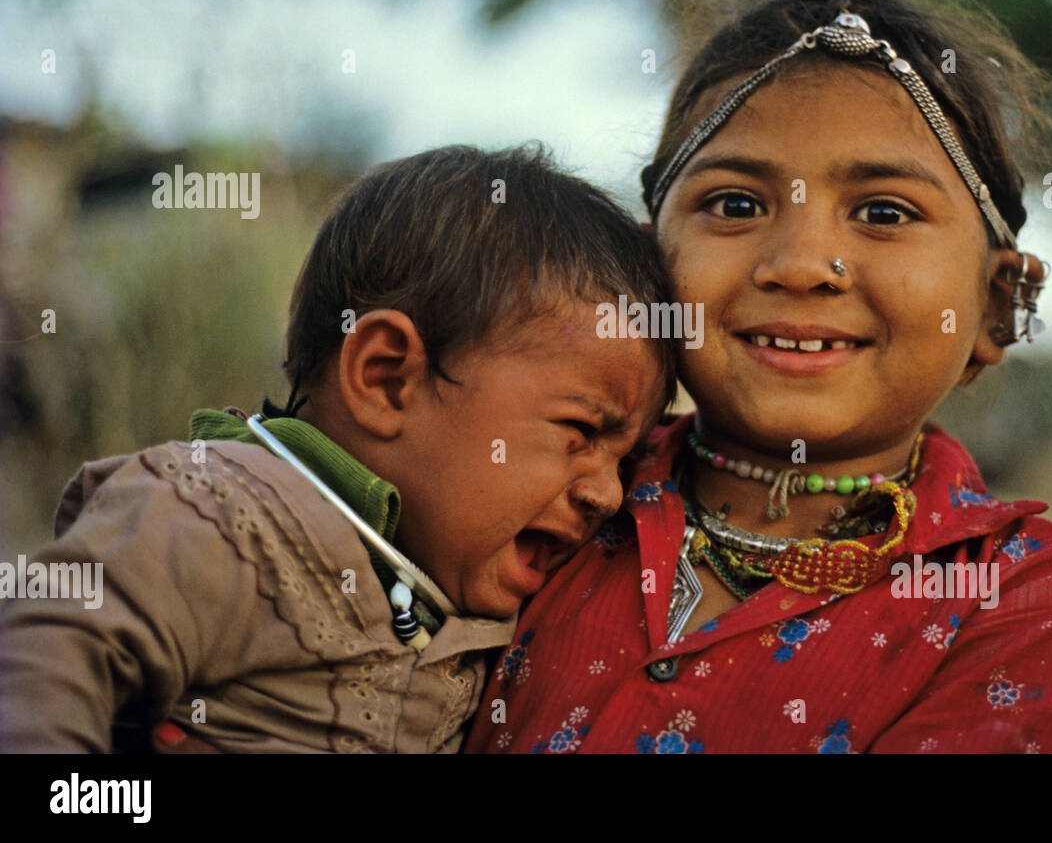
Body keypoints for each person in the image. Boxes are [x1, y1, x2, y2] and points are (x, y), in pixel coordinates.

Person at [464, 0, 1052, 753]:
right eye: (736, 204)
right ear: (646, 275)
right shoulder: (532, 484)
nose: (804, 264)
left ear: (996, 306)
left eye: (884, 212)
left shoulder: (1024, 601)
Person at [0, 144, 672, 753]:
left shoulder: (483, 610)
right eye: (581, 432)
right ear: (386, 379)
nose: (607, 492)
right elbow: (46, 658)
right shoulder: (220, 511)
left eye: (625, 458)